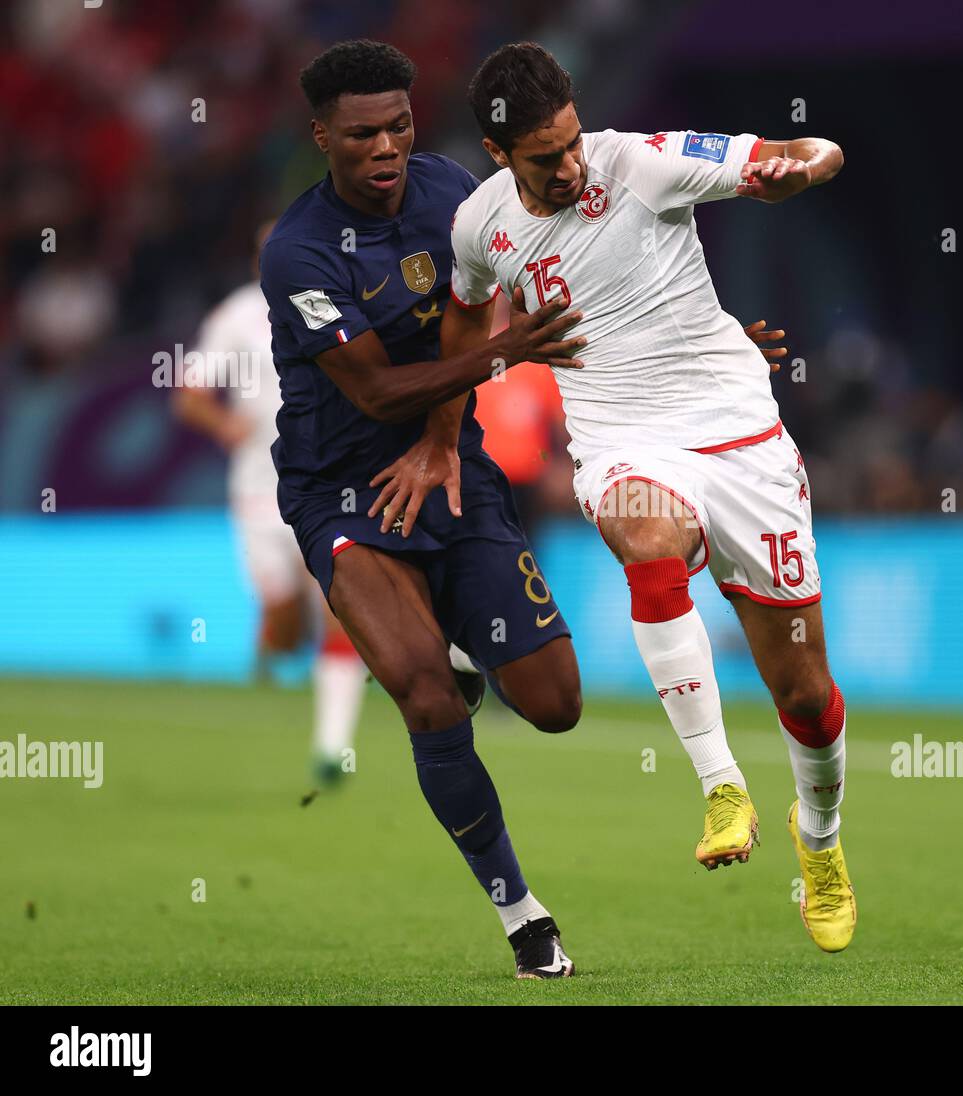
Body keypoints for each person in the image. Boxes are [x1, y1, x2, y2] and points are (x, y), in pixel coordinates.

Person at [385, 42, 853, 952]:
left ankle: (821, 843)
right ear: (496, 153)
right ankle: (721, 788)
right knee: (647, 542)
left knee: (807, 695)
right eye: (542, 158)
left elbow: (787, 155)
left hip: (741, 437)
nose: (568, 168)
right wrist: (442, 436)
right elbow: (465, 312)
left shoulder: (638, 162)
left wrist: (809, 165)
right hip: (622, 441)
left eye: (570, 144)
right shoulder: (479, 227)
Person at [259, 39, 592, 979]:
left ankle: (450, 636)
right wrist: (506, 351)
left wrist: (447, 442)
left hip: (451, 463)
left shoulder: (456, 193)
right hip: (341, 490)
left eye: (399, 126)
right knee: (427, 700)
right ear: (323, 136)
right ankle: (523, 916)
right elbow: (370, 390)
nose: (385, 147)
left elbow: (484, 307)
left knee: (557, 706)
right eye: (361, 133)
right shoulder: (299, 251)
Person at [174, 223, 367, 786]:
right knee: (284, 624)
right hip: (260, 493)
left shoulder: (332, 302)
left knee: (339, 609)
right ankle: (269, 654)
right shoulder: (235, 316)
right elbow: (189, 396)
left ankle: (332, 748)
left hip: (330, 486)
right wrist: (222, 421)